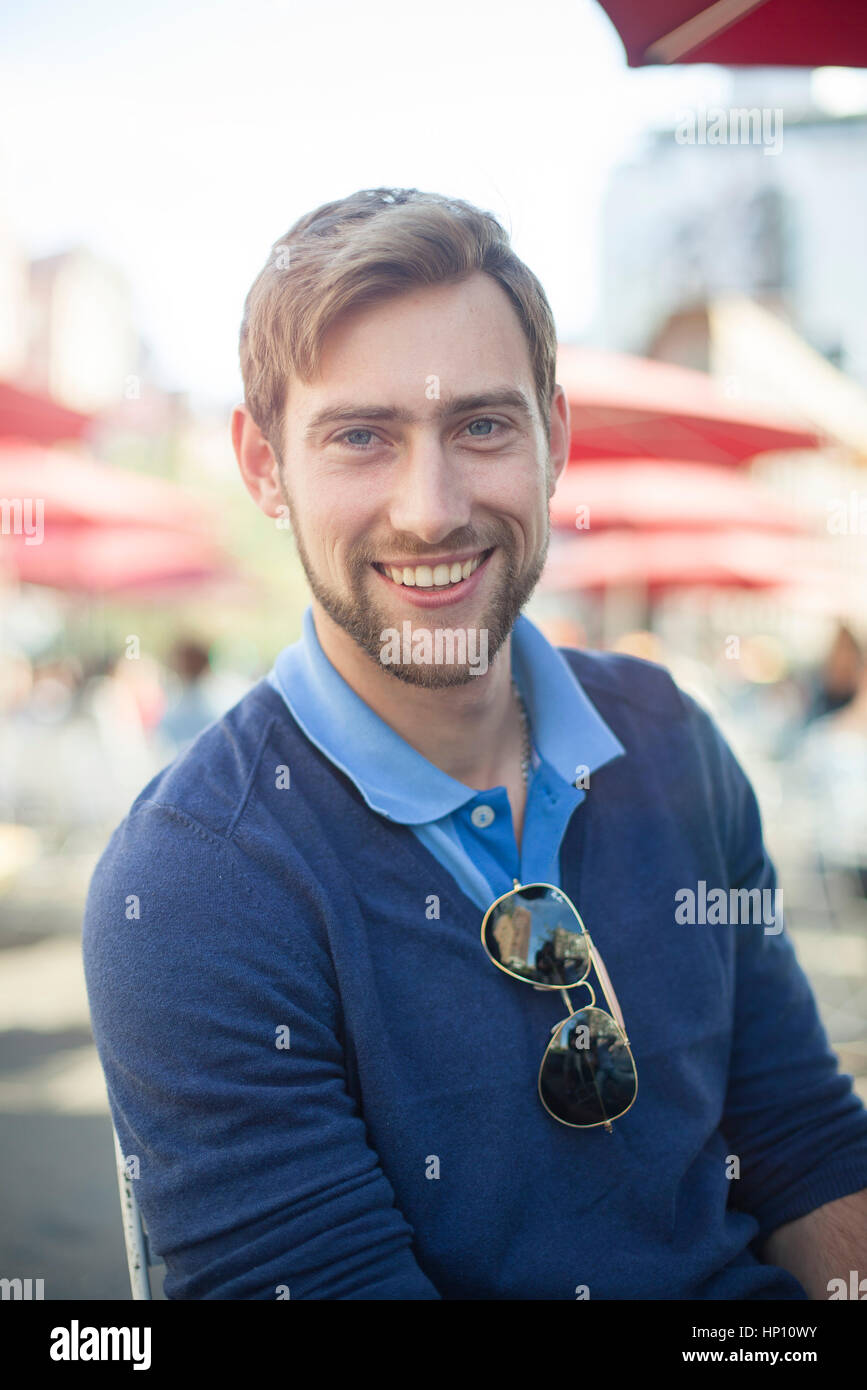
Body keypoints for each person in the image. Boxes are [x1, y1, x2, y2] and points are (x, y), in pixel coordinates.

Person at [82, 187, 867, 1301]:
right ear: (263, 467)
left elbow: (802, 1142)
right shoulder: (197, 880)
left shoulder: (670, 738)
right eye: (362, 436)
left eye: (481, 426)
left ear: (554, 441)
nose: (433, 507)